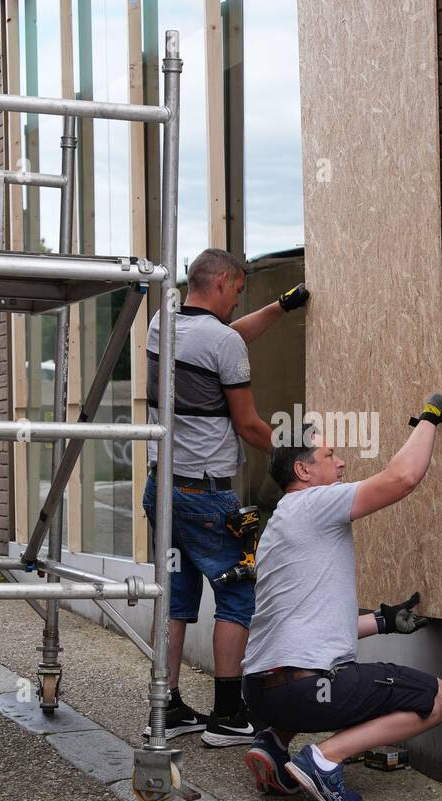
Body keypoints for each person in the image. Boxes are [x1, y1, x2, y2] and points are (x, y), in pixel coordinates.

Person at [240, 395, 442, 801]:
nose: (340, 464)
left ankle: (274, 741)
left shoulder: (279, 525)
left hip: (263, 695)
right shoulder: (315, 503)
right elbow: (402, 478)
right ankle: (324, 759)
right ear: (303, 470)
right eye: (329, 455)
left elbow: (312, 622)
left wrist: (384, 621)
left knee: (310, 680)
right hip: (308, 689)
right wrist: (429, 418)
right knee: (437, 697)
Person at [141, 247, 309, 746]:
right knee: (238, 595)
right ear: (221, 283)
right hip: (209, 499)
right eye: (238, 290)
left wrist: (279, 307)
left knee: (175, 599)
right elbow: (249, 425)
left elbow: (225, 339)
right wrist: (298, 458)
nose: (238, 300)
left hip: (163, 489)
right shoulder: (222, 343)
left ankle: (165, 707)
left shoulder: (161, 323)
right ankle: (229, 714)